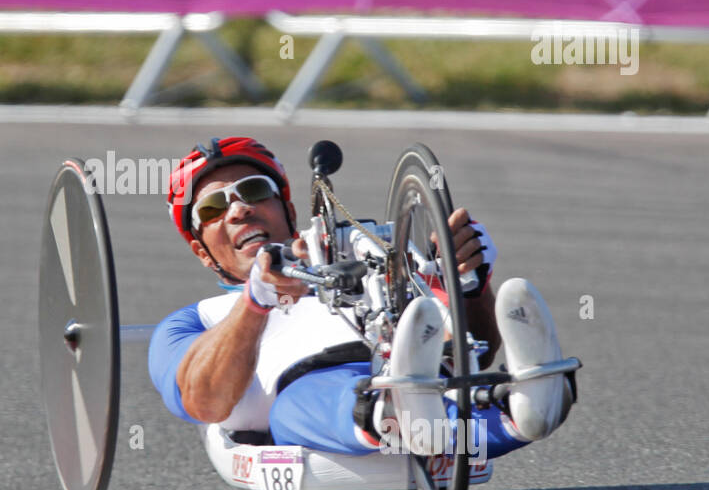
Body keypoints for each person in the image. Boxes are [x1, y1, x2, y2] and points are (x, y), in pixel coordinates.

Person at [148, 136, 574, 459]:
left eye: (255, 191)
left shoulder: (364, 258)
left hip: (416, 370)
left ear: (289, 212)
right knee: (293, 405)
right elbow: (203, 401)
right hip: (313, 398)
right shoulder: (194, 321)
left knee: (447, 369)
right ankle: (398, 411)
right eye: (212, 209)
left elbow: (472, 352)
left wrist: (468, 282)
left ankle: (524, 405)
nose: (239, 209)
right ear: (201, 251)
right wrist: (256, 300)